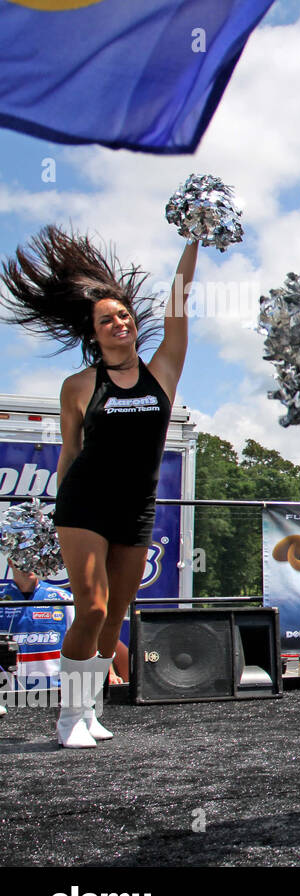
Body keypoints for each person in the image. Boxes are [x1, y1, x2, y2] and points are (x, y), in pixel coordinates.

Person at [0, 227, 195, 748]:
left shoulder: (163, 374)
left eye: (124, 315)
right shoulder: (80, 386)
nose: (119, 322)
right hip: (84, 504)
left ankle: (89, 709)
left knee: (115, 618)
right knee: (91, 606)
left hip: (137, 508)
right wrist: (54, 511)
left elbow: (178, 310)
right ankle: (68, 717)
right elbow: (69, 452)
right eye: (106, 318)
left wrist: (193, 241)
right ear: (94, 332)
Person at [0, 561, 74, 698]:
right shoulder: (1, 598)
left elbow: (86, 640)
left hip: (55, 693)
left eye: (33, 560)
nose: (28, 565)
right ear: (10, 562)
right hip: (7, 694)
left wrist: (110, 672)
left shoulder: (64, 598)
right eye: (22, 559)